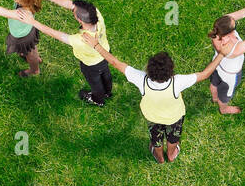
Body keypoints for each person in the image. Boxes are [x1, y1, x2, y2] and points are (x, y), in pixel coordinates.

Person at [84, 40, 222, 163]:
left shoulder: (141, 79)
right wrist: (221, 55)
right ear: (171, 70)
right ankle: (171, 154)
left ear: (148, 70)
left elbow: (115, 63)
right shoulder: (177, 82)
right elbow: (205, 74)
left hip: (152, 117)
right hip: (174, 117)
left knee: (155, 140)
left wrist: (96, 45)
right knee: (173, 138)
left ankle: (159, 158)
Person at [25, 0, 113, 105]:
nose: (72, 10)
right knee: (106, 74)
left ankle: (98, 100)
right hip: (106, 54)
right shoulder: (96, 14)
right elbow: (70, 4)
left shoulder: (80, 39)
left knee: (95, 83)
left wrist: (32, 22)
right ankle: (108, 93)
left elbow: (54, 33)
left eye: (74, 13)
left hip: (92, 65)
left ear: (80, 20)